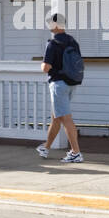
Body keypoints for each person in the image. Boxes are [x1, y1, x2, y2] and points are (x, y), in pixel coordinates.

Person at [36, 11, 83, 163]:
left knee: (66, 117)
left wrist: (42, 64)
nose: (48, 25)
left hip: (58, 84)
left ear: (56, 25)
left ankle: (76, 152)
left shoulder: (53, 43)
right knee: (57, 117)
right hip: (71, 82)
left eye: (50, 22)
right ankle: (46, 147)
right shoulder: (72, 41)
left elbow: (46, 67)